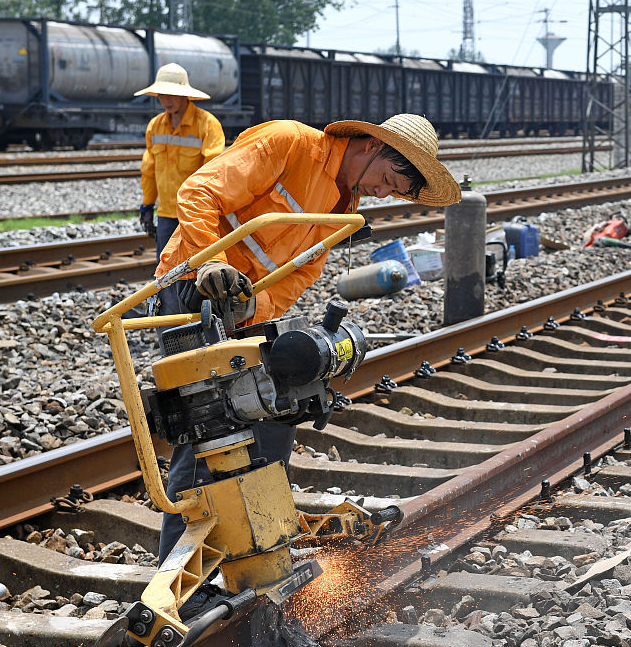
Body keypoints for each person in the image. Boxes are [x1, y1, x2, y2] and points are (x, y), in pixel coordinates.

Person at [153, 114, 461, 595]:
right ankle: (182, 586)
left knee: (270, 424)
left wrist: (255, 305)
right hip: (191, 292)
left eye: (392, 191)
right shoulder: (289, 145)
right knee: (207, 435)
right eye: (386, 180)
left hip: (243, 312)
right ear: (369, 145)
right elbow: (199, 193)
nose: (381, 193)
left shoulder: (343, 204)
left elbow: (297, 277)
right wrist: (212, 262)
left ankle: (257, 560)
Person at [135, 63, 225, 315]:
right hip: (165, 213)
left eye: (171, 94)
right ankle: (170, 326)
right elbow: (149, 168)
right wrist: (147, 205)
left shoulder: (207, 125)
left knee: (197, 270)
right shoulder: (155, 126)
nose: (166, 100)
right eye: (162, 95)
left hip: (196, 215)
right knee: (166, 272)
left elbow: (215, 171)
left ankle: (199, 323)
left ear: (185, 94)